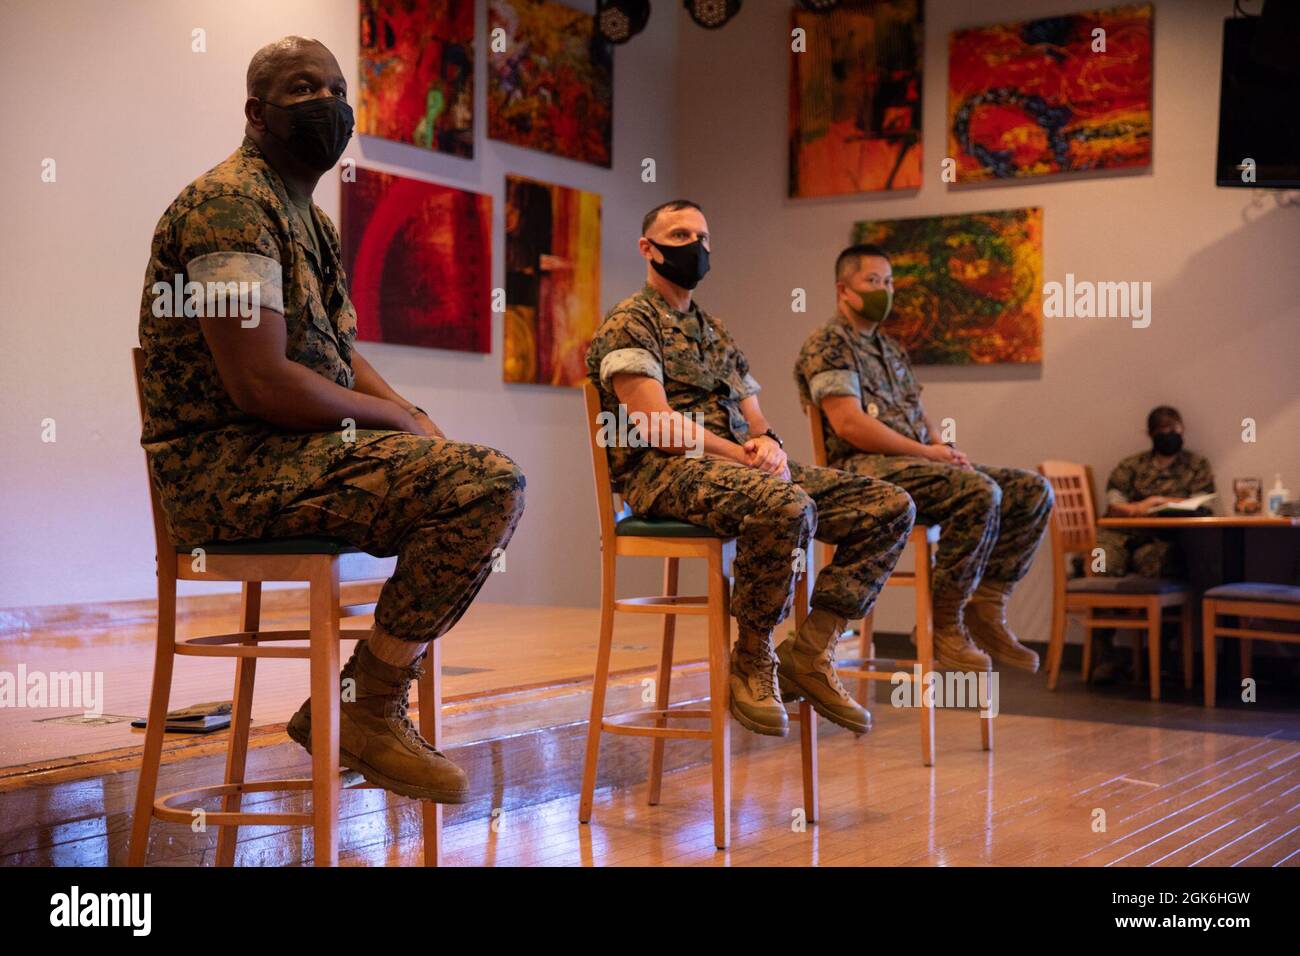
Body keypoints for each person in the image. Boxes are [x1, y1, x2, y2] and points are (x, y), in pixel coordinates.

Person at [137, 37, 525, 802]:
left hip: (290, 459)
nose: (328, 104)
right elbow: (259, 383)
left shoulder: (306, 218)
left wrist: (409, 414)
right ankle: (367, 707)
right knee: (483, 487)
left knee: (475, 476)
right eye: (303, 88)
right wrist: (388, 418)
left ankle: (362, 705)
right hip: (229, 473)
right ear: (255, 112)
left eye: (338, 89)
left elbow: (336, 360)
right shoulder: (228, 206)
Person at [585, 203, 915, 737]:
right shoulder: (632, 322)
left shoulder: (713, 329)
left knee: (889, 506)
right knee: (785, 505)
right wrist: (740, 454)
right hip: (664, 473)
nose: (695, 244)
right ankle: (754, 654)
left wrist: (768, 445)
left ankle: (810, 650)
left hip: (741, 470)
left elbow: (756, 416)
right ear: (647, 248)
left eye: (702, 235)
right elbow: (656, 425)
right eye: (680, 234)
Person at [794, 244, 1055, 673]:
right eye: (873, 281)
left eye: (889, 282)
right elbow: (849, 425)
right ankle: (943, 623)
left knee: (1030, 490)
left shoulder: (891, 349)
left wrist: (944, 451)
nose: (885, 290)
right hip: (863, 471)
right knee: (978, 493)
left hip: (917, 465)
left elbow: (919, 414)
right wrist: (926, 452)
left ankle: (986, 606)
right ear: (844, 289)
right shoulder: (829, 344)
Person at [1090, 405, 1215, 683]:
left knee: (1168, 565)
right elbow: (1114, 503)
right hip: (1122, 536)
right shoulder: (1131, 466)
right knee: (1100, 566)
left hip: (1161, 541)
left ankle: (1159, 653)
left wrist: (1166, 504)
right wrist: (1142, 506)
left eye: (1174, 430)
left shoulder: (1196, 465)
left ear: (1183, 430)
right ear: (1150, 434)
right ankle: (1106, 653)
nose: (1169, 435)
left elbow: (1204, 502)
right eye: (1162, 431)